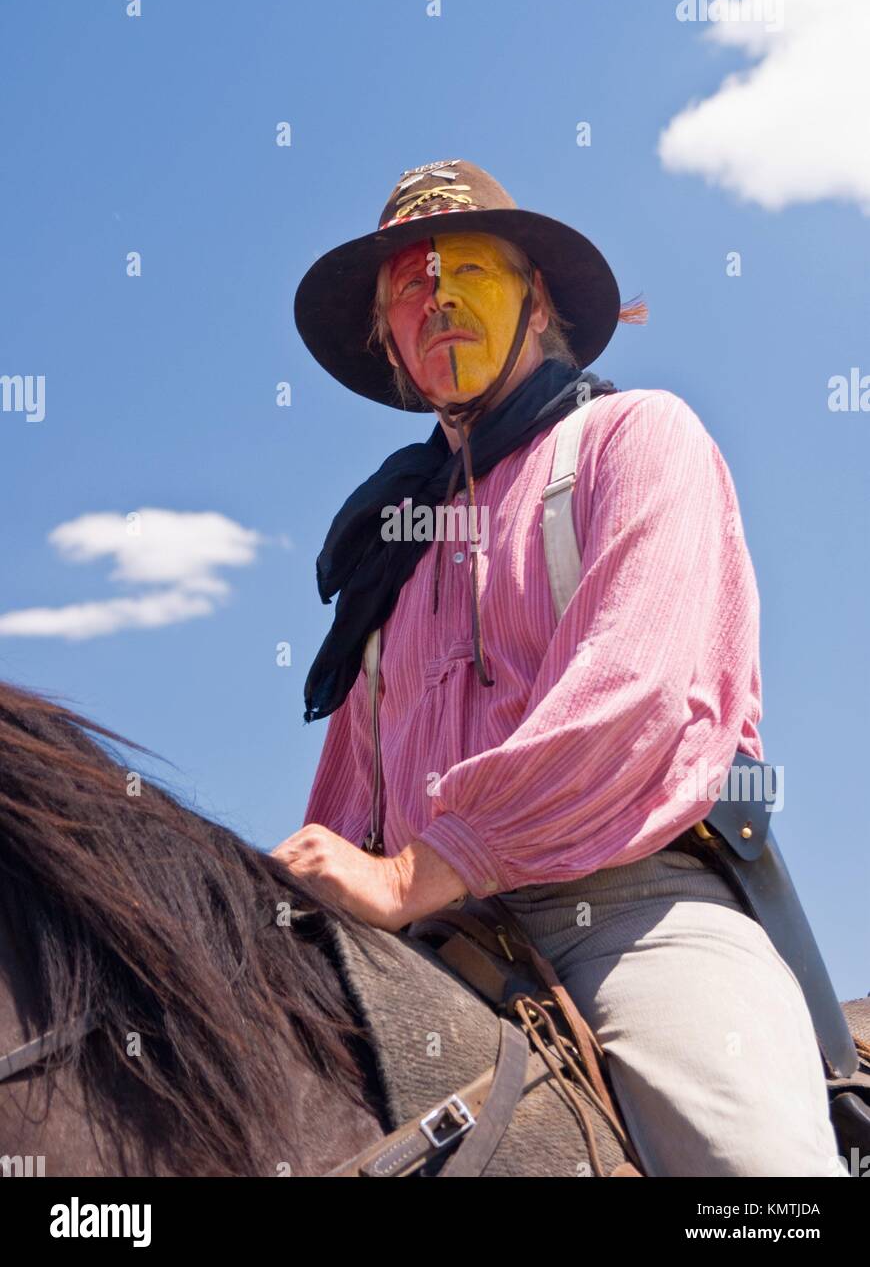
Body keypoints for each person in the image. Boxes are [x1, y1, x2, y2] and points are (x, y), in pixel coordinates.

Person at [274, 159, 842, 1176]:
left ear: (539, 299)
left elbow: (646, 702)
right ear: (390, 342)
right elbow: (346, 821)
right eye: (409, 283)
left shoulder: (636, 438)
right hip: (426, 943)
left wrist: (418, 867)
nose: (437, 296)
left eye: (469, 269)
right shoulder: (388, 563)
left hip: (630, 917)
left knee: (756, 1178)